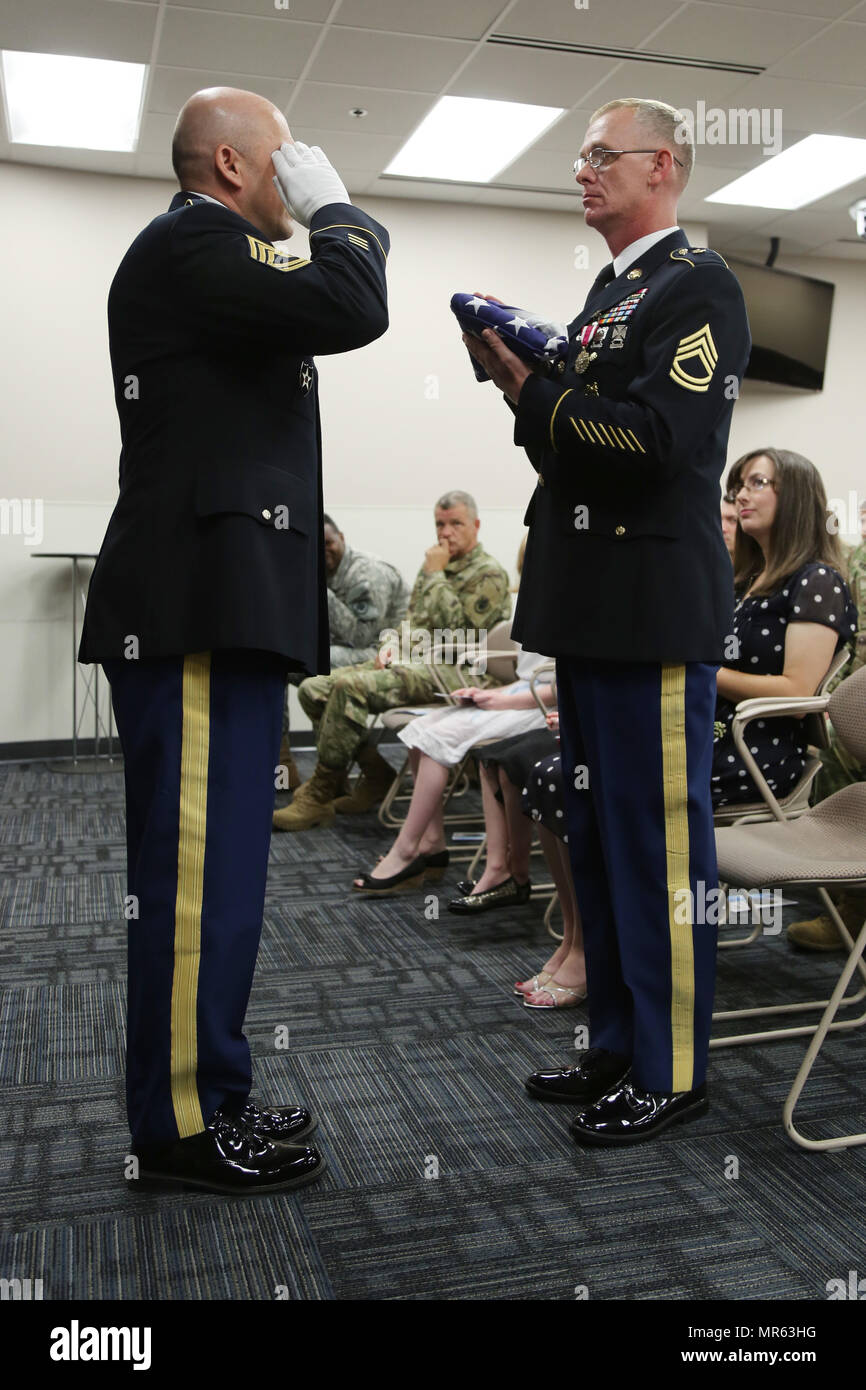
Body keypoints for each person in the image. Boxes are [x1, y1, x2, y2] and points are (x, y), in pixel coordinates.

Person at [77, 87, 389, 1193]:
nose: (297, 171)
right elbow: (352, 301)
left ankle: (214, 1090)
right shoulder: (195, 241)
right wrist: (340, 209)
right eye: (285, 159)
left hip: (223, 603)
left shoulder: (205, 256)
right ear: (229, 164)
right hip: (199, 603)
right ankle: (182, 1126)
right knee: (197, 879)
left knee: (224, 877)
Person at [463, 96, 751, 1146]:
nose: (581, 172)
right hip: (589, 605)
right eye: (579, 157)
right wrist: (519, 382)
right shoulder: (607, 294)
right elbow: (568, 447)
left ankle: (671, 1068)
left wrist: (529, 386)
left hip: (648, 608)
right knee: (595, 835)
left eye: (600, 156)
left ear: (662, 166)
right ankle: (617, 1047)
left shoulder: (698, 285)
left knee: (655, 845)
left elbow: (651, 445)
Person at [274, 491, 511, 830]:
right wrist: (392, 645)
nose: (445, 532)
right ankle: (375, 775)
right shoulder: (436, 565)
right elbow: (412, 622)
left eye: (455, 523)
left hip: (459, 673)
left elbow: (460, 633)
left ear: (475, 525)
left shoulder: (487, 573)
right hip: (419, 664)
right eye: (440, 524)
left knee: (347, 687)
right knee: (313, 687)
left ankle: (319, 794)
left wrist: (434, 575)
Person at [712, 449, 856, 808]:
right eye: (740, 486)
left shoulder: (816, 581)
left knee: (591, 781)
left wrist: (703, 674)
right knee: (566, 770)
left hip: (754, 755)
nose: (741, 495)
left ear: (795, 498)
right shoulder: (747, 581)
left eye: (757, 483)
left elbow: (797, 696)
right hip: (714, 736)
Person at [350, 646, 554, 895]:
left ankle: (406, 851)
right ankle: (431, 844)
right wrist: (485, 694)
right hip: (521, 694)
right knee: (419, 731)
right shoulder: (531, 609)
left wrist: (501, 700)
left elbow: (563, 686)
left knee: (439, 737)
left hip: (543, 708)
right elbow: (527, 677)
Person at [278, 514, 408, 788]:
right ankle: (283, 761)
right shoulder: (323, 571)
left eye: (329, 543)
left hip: (385, 652)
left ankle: (339, 776)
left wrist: (320, 590)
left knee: (306, 668)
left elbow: (360, 637)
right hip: (350, 651)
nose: (324, 550)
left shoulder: (366, 573)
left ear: (342, 539)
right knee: (279, 662)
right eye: (317, 545)